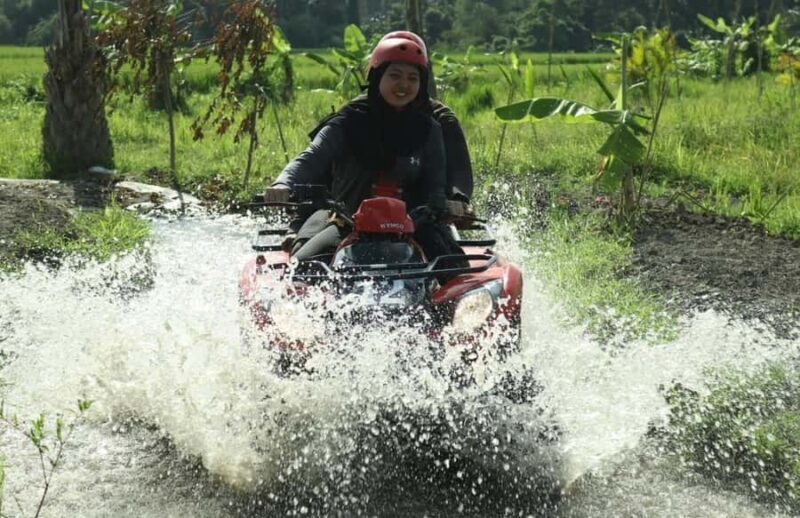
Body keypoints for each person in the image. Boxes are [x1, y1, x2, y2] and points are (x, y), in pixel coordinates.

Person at [265, 32, 463, 265]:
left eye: (413, 78)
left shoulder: (431, 129)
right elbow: (311, 157)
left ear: (421, 85)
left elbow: (436, 184)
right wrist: (283, 182)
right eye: (395, 76)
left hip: (413, 226)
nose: (404, 85)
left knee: (455, 271)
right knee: (303, 270)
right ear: (377, 76)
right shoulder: (347, 121)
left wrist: (446, 203)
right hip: (348, 224)